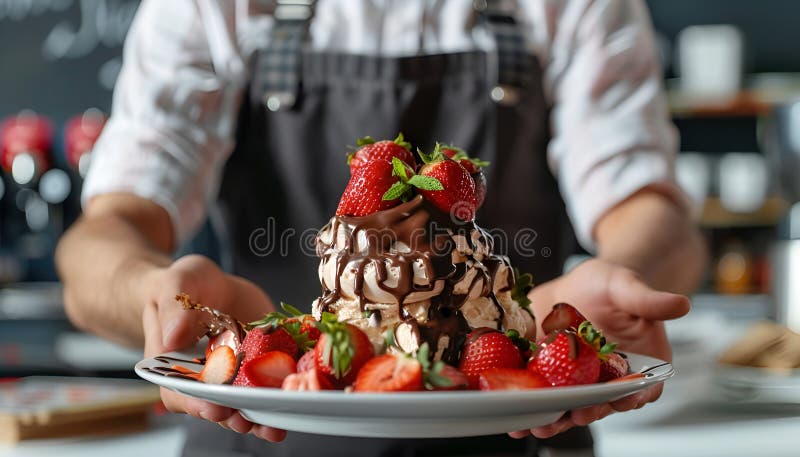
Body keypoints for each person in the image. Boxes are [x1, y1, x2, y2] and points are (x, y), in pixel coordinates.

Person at [56, 0, 707, 455]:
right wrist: (155, 293)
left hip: (523, 434)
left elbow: (655, 215)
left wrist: (612, 290)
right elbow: (103, 235)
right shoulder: (216, 6)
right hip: (261, 431)